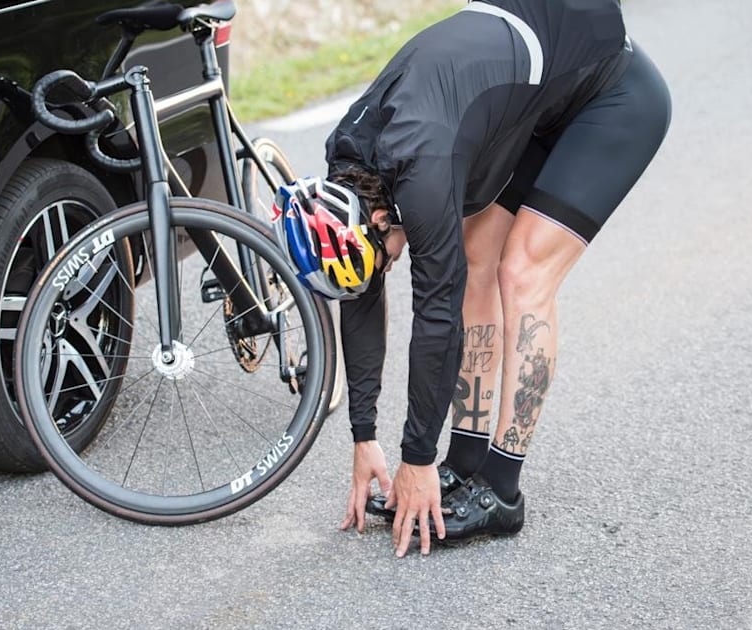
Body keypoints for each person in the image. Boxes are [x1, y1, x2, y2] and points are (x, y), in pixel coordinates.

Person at [272, 0, 671, 557]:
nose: (385, 266)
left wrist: (414, 460)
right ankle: (463, 462)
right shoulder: (350, 158)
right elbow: (361, 291)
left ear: (380, 218)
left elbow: (437, 314)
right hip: (542, 97)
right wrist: (365, 439)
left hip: (615, 98)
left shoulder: (420, 166)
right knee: (475, 252)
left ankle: (502, 491)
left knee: (522, 271)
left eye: (380, 258)